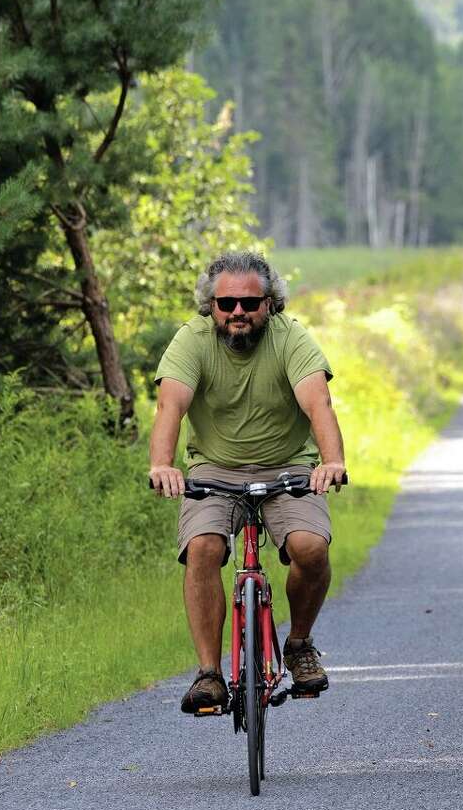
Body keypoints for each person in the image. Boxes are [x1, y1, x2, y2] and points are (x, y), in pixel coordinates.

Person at [148, 251, 348, 716]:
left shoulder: (291, 338)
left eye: (250, 303)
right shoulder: (191, 341)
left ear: (270, 304)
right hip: (214, 468)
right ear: (210, 306)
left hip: (289, 466)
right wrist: (162, 464)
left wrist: (332, 461)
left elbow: (319, 404)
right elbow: (170, 407)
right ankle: (208, 674)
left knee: (311, 548)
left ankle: (298, 645)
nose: (238, 312)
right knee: (202, 548)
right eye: (226, 304)